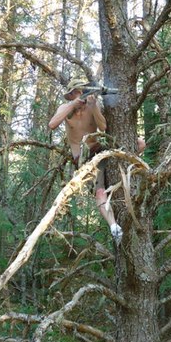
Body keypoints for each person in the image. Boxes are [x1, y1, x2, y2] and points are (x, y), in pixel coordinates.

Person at [48, 78, 145, 243]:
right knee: (100, 192)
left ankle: (126, 175)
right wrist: (74, 105)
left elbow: (103, 127)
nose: (81, 95)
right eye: (77, 92)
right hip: (84, 159)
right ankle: (114, 227)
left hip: (101, 150)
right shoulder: (65, 108)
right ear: (71, 95)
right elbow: (52, 124)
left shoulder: (92, 105)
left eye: (82, 91)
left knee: (140, 144)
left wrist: (93, 107)